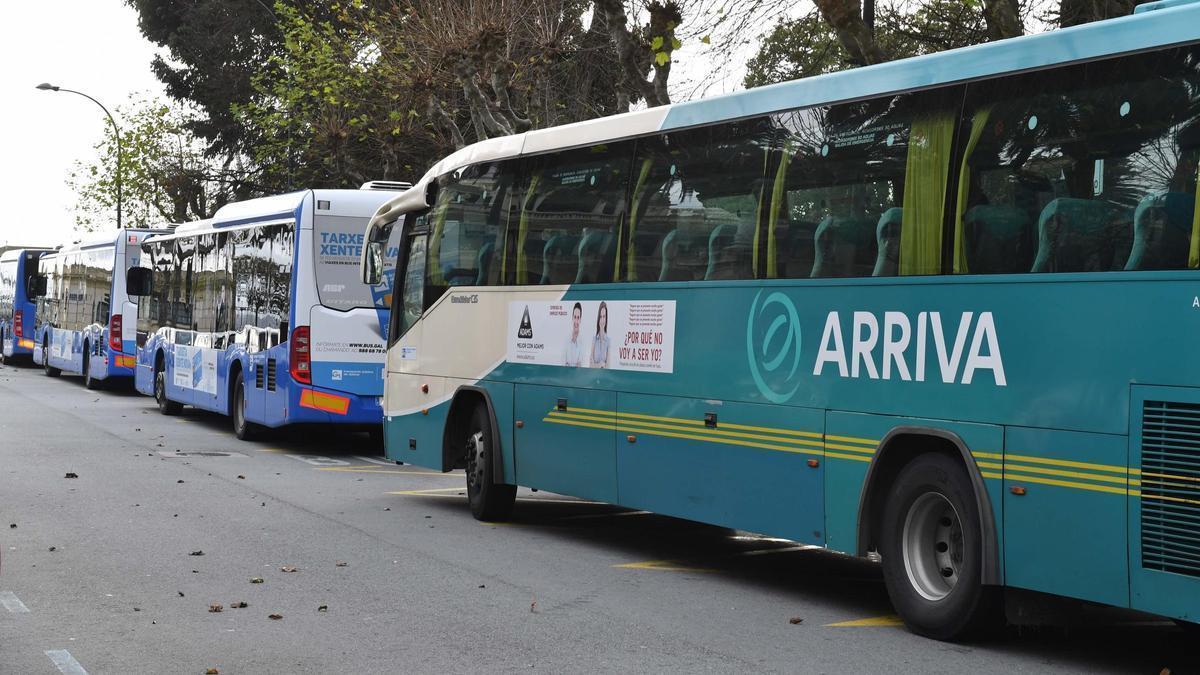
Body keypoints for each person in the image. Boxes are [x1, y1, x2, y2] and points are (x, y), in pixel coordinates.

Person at [563, 302, 584, 367]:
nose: (576, 321)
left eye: (578, 317)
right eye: (575, 317)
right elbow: (563, 361)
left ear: (580, 319)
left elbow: (581, 364)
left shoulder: (583, 341)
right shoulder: (566, 339)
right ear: (572, 318)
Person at [590, 301, 610, 368]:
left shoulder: (608, 341)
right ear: (598, 319)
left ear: (606, 318)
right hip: (593, 377)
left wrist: (595, 365)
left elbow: (608, 367)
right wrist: (600, 365)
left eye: (604, 316)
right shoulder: (594, 339)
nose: (602, 320)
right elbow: (590, 365)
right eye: (600, 317)